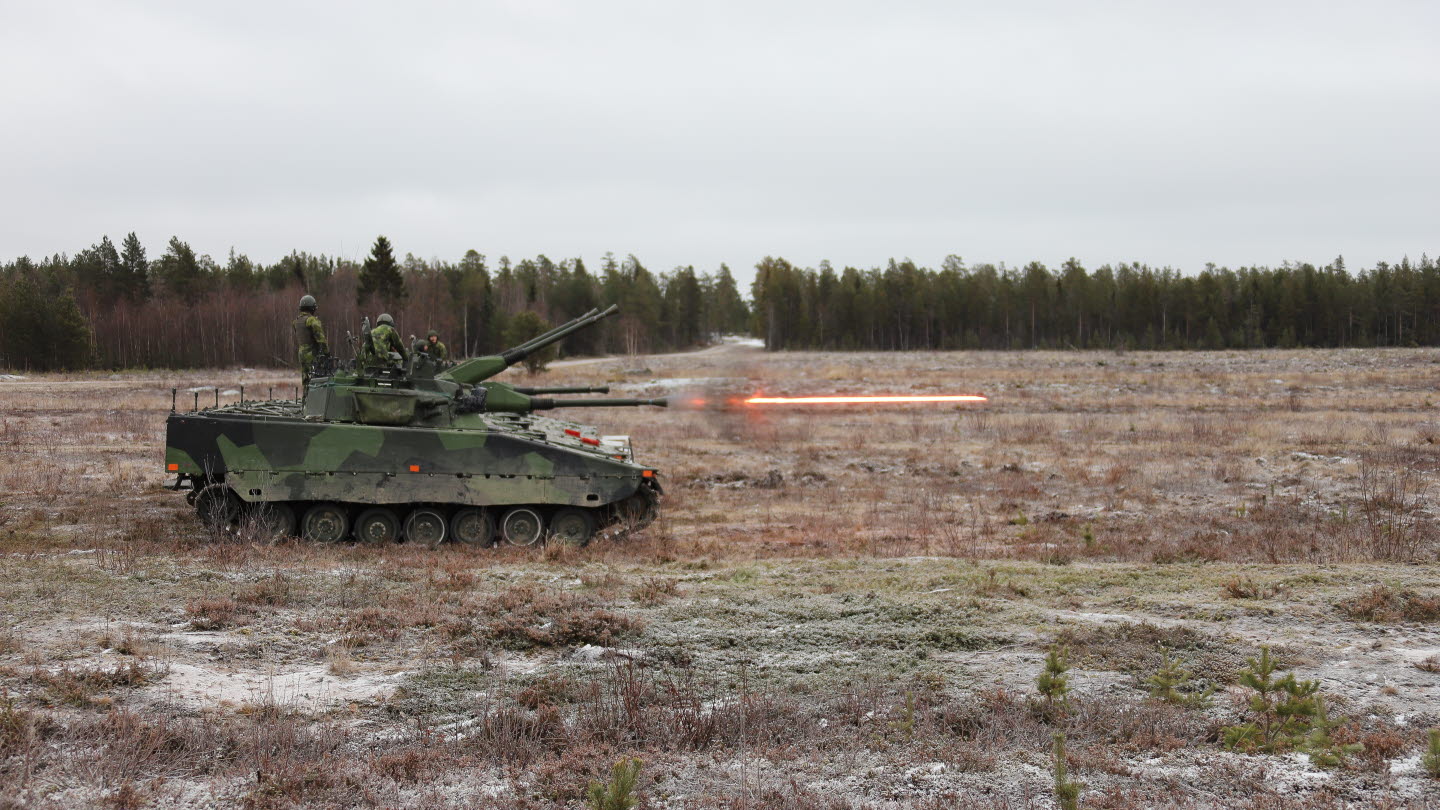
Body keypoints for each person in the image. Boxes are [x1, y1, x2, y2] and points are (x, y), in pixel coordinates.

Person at [293, 294, 328, 387]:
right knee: (315, 380)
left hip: (301, 354)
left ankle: (306, 399)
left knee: (305, 380)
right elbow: (321, 340)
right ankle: (314, 400)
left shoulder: (296, 321)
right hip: (312, 354)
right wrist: (327, 353)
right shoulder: (312, 320)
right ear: (312, 308)